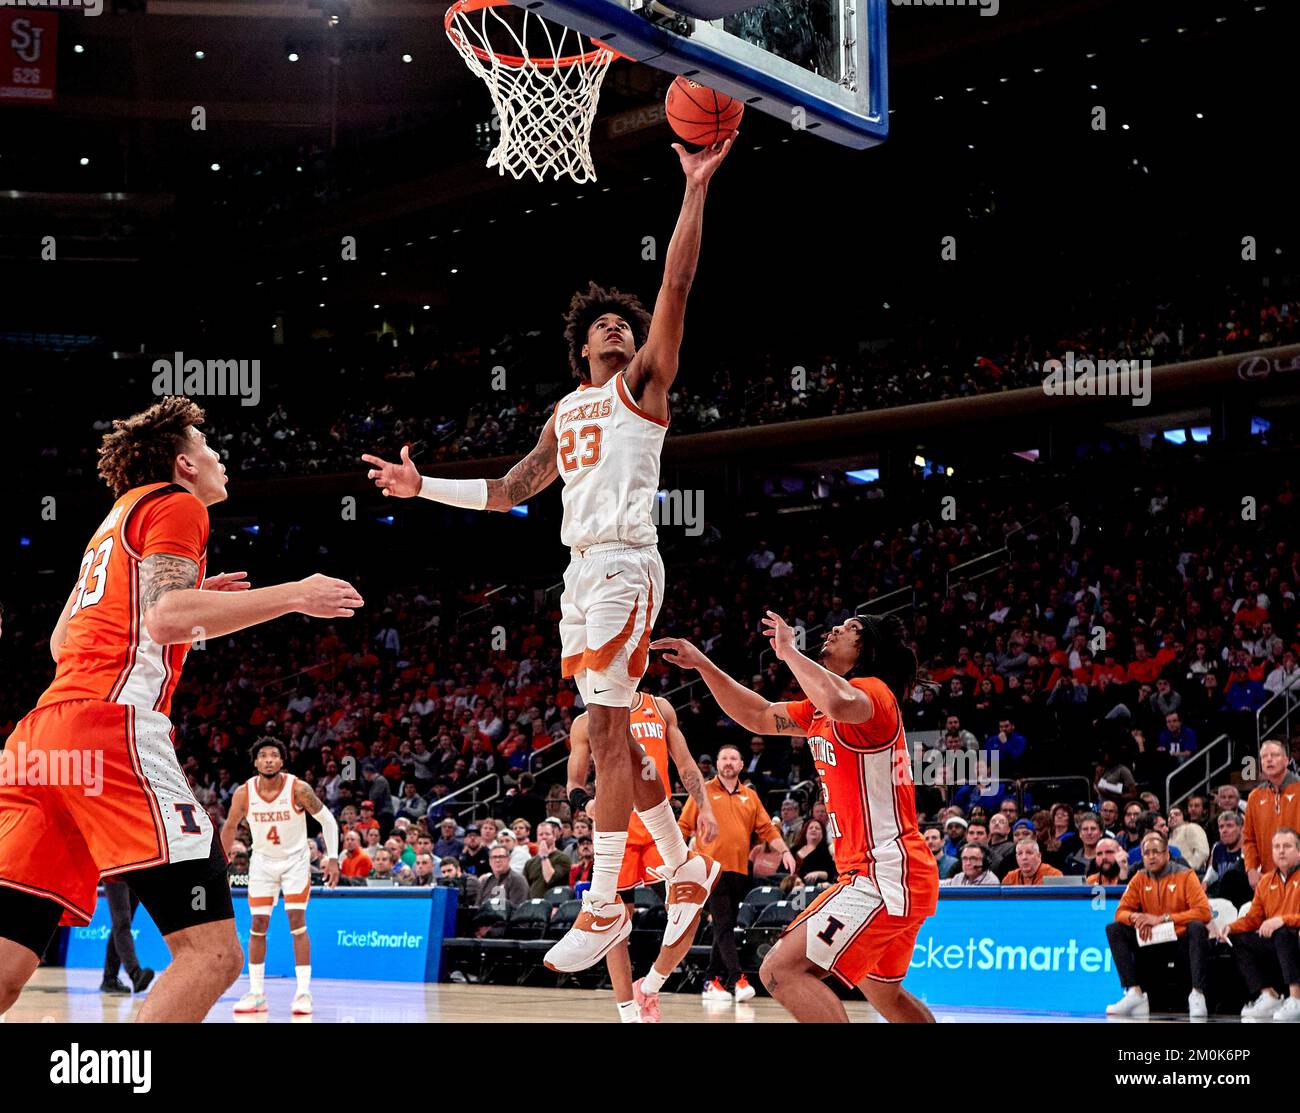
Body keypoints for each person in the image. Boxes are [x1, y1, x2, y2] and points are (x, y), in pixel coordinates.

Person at [364, 136, 735, 977]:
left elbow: (675, 283)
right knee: (625, 747)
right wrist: (422, 487)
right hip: (579, 575)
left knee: (605, 729)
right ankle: (682, 868)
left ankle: (605, 899)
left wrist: (694, 189)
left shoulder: (642, 385)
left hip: (626, 564)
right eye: (603, 322)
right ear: (580, 346)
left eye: (624, 322)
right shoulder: (565, 414)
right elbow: (508, 491)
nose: (616, 323)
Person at [0, 397, 362, 1022]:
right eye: (208, 446)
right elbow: (166, 616)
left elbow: (68, 642)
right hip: (112, 731)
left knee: (6, 960)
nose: (220, 457)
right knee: (214, 954)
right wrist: (297, 595)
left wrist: (194, 611)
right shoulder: (177, 504)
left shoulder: (109, 525)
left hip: (38, 742)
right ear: (183, 463)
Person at [655, 611, 940, 1023]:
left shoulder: (872, 694)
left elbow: (840, 701)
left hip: (883, 870)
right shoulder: (818, 711)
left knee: (779, 970)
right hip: (892, 872)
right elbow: (757, 714)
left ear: (866, 649)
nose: (837, 629)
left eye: (851, 628)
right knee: (885, 993)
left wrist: (789, 651)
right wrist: (703, 664)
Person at [564, 687, 718, 1021]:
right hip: (615, 831)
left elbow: (686, 764)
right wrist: (586, 804)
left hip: (657, 830)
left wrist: (704, 807)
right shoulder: (586, 720)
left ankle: (650, 985)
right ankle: (628, 1013)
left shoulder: (660, 708)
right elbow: (574, 782)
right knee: (612, 923)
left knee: (690, 907)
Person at [221, 737, 341, 1016]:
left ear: (282, 761)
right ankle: (256, 993)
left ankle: (303, 993)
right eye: (263, 755)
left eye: (274, 755)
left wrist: (332, 858)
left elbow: (328, 820)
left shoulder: (298, 788)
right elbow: (229, 827)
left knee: (297, 922)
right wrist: (220, 862)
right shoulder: (244, 793)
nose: (269, 760)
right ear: (255, 762)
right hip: (262, 862)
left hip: (295, 861)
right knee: (257, 925)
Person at [674, 742, 791, 1004]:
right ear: (717, 764)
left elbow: (767, 829)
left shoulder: (750, 797)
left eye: (733, 759)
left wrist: (785, 852)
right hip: (709, 870)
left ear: (740, 765)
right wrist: (675, 860)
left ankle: (711, 980)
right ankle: (739, 979)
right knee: (724, 924)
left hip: (739, 870)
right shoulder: (701, 792)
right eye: (724, 758)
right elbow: (683, 826)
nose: (728, 762)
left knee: (723, 926)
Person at [1105, 832, 1212, 1018]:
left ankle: (1197, 994)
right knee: (1114, 929)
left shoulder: (1185, 875)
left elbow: (1204, 912)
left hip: (1179, 941)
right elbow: (1120, 912)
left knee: (1196, 926)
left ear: (1167, 854)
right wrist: (1137, 918)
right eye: (1147, 853)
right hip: (1151, 942)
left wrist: (1162, 919)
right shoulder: (1139, 877)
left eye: (1156, 852)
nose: (1151, 856)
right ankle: (1134, 993)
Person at [1210, 828, 1300, 1021]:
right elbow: (1253, 918)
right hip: (1276, 941)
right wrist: (1231, 927)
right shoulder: (1266, 881)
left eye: (1287, 846)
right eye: (1277, 847)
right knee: (1236, 938)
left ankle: (1296, 998)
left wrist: (1283, 920)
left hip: (1294, 938)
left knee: (1284, 932)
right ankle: (1268, 995)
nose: (1281, 851)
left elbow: (1284, 923)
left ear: (1299, 851)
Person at [1243, 739, 1300, 888]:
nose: (1269, 759)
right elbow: (1249, 839)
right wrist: (1251, 869)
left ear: (1287, 760)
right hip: (1268, 880)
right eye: (1264, 756)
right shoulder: (1254, 797)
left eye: (1275, 755)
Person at [99, 878, 155, 996]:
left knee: (122, 924)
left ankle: (109, 979)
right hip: (114, 869)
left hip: (134, 869)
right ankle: (135, 973)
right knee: (122, 923)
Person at [523, 820, 573, 899]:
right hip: (534, 905)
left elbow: (550, 879)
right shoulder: (530, 862)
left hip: (555, 904)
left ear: (554, 837)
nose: (544, 837)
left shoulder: (563, 858)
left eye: (547, 834)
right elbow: (525, 887)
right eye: (540, 834)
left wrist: (544, 857)